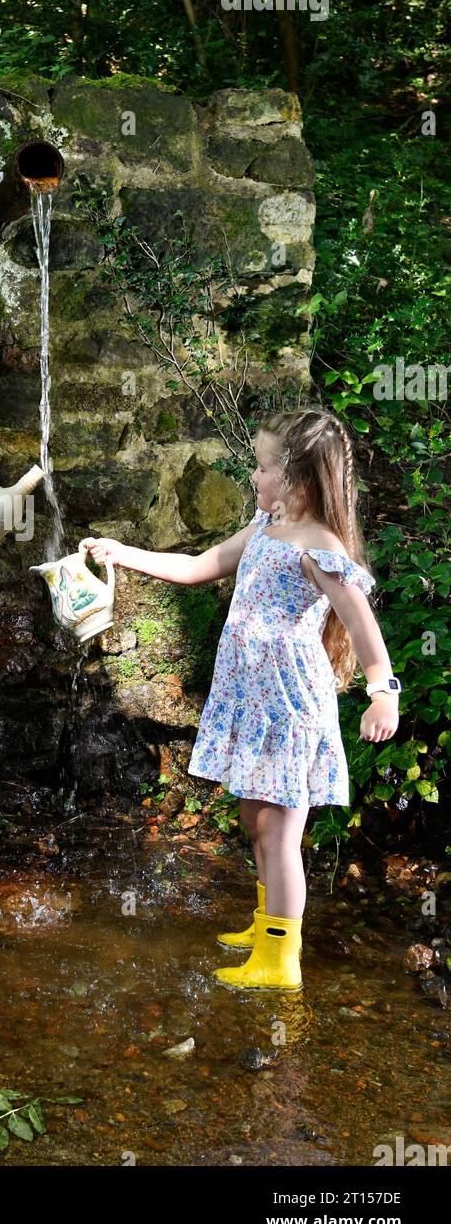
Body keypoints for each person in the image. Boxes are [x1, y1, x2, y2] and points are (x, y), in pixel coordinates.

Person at [83, 408, 400, 991]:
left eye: (261, 467)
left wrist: (383, 693)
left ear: (298, 478)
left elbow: (363, 628)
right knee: (256, 819)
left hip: (289, 705)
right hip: (253, 701)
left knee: (280, 832)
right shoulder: (266, 524)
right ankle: (266, 925)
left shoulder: (318, 546)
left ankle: (282, 959)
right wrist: (123, 553)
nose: (253, 477)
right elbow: (203, 565)